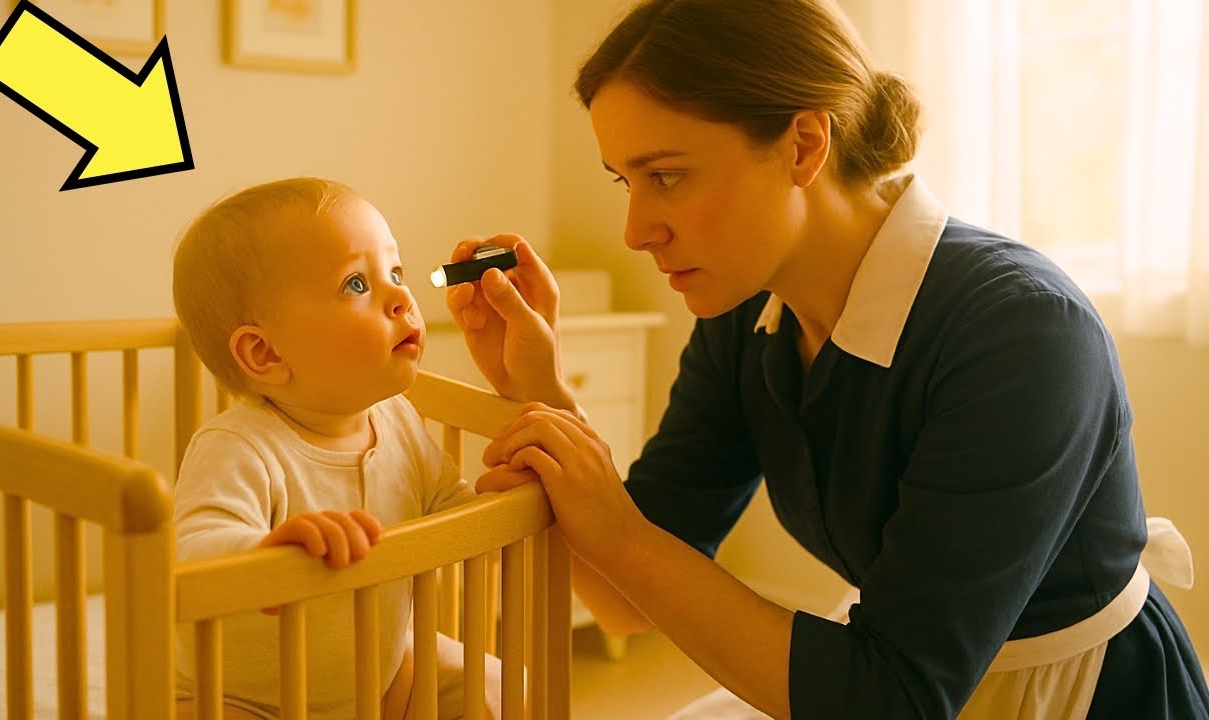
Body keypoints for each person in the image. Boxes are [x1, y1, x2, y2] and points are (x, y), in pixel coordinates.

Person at [446, 0, 1209, 717]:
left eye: (666, 177)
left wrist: (622, 533)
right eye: (626, 182)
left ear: (804, 146)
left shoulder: (1025, 334)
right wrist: (536, 391)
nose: (635, 230)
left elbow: (892, 699)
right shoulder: (747, 314)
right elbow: (628, 598)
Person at [170, 177, 501, 720]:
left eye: (394, 273)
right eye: (356, 284)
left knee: (493, 682)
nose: (401, 297)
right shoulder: (239, 446)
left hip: (383, 674)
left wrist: (499, 498)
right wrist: (263, 552)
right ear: (264, 352)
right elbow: (192, 552)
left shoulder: (400, 421)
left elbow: (454, 513)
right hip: (244, 698)